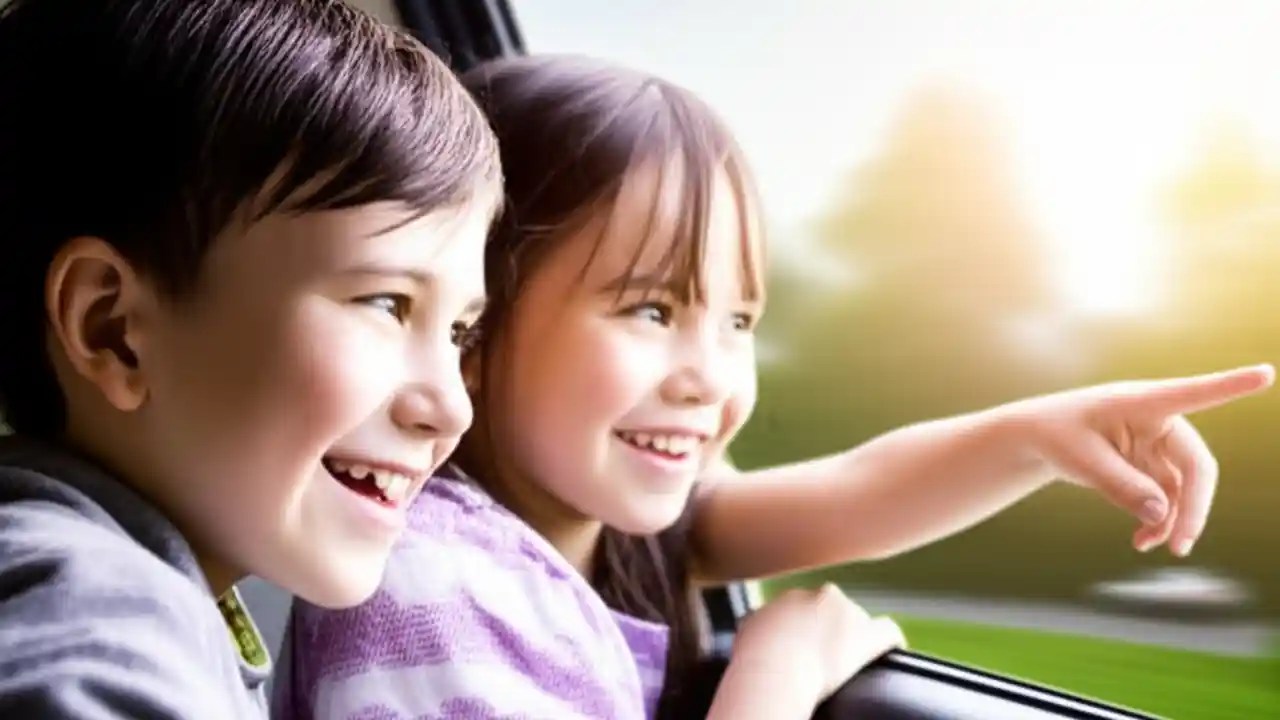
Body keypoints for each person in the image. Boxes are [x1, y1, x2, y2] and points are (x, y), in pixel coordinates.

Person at [280, 54, 1274, 720]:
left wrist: (1038, 434)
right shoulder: (434, 588)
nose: (708, 377)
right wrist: (775, 678)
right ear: (476, 316)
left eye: (739, 323)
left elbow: (853, 493)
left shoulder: (605, 530)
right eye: (651, 310)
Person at [0, 1, 501, 717]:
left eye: (457, 333)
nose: (451, 409)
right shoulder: (98, 615)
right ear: (112, 329)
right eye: (386, 304)